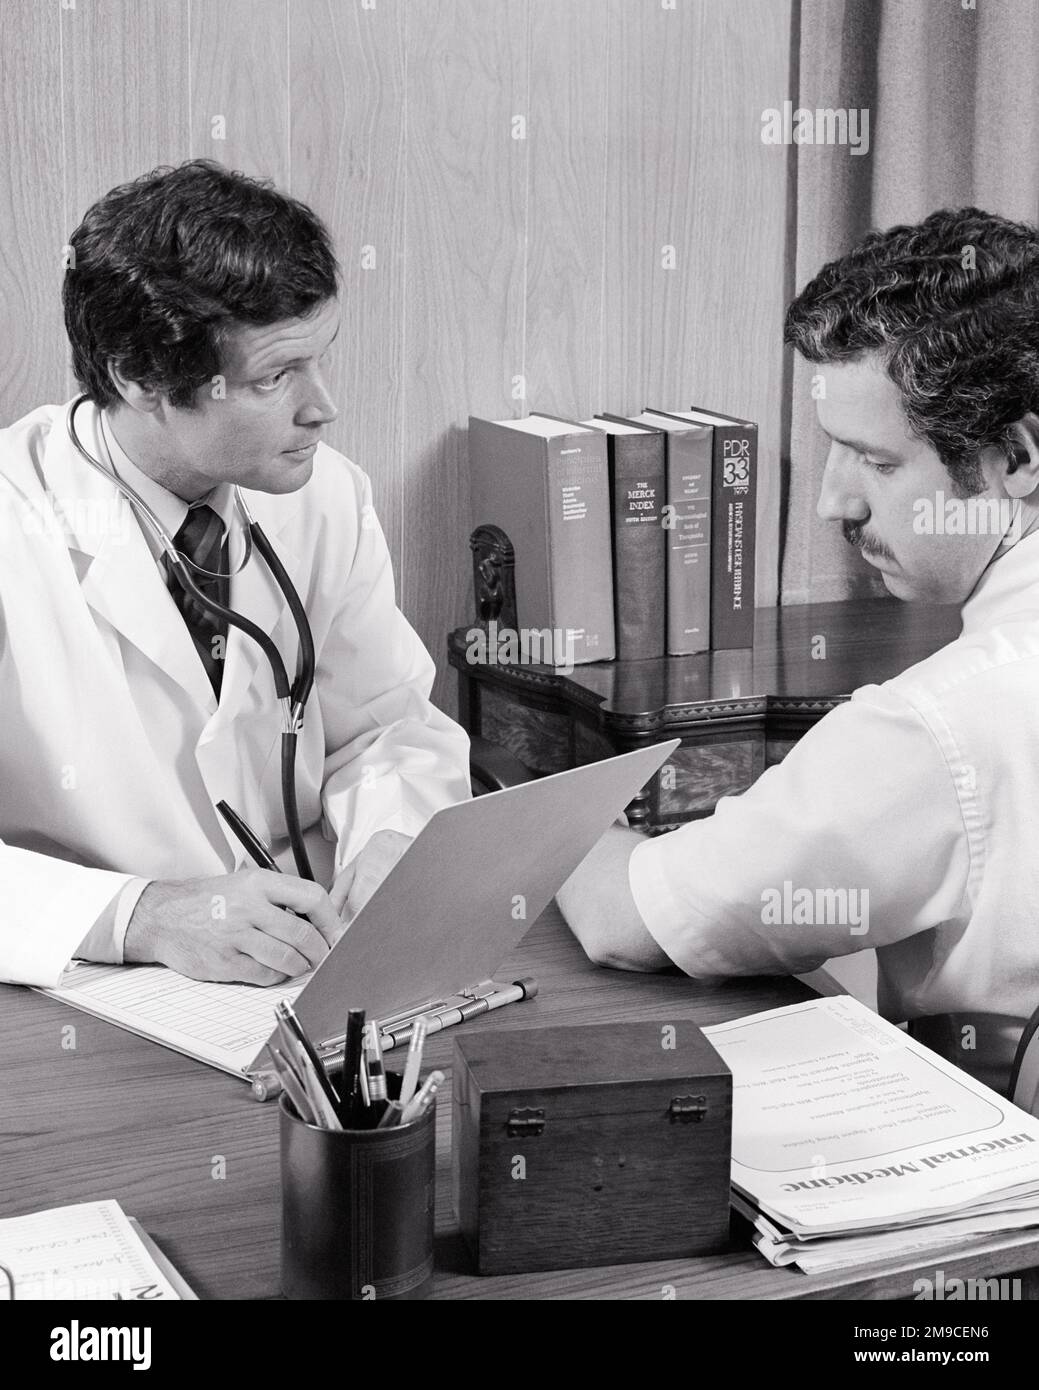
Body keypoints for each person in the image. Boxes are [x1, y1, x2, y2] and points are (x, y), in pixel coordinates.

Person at [558, 207, 1039, 1094]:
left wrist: (544, 833)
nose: (832, 505)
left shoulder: (939, 726)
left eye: (876, 463)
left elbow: (628, 922)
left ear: (1014, 456)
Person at [0, 160, 470, 990]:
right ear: (140, 377)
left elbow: (382, 727)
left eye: (319, 359)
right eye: (274, 377)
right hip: (88, 994)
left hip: (306, 975)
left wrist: (391, 837)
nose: (322, 407)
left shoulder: (325, 496)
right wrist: (140, 916)